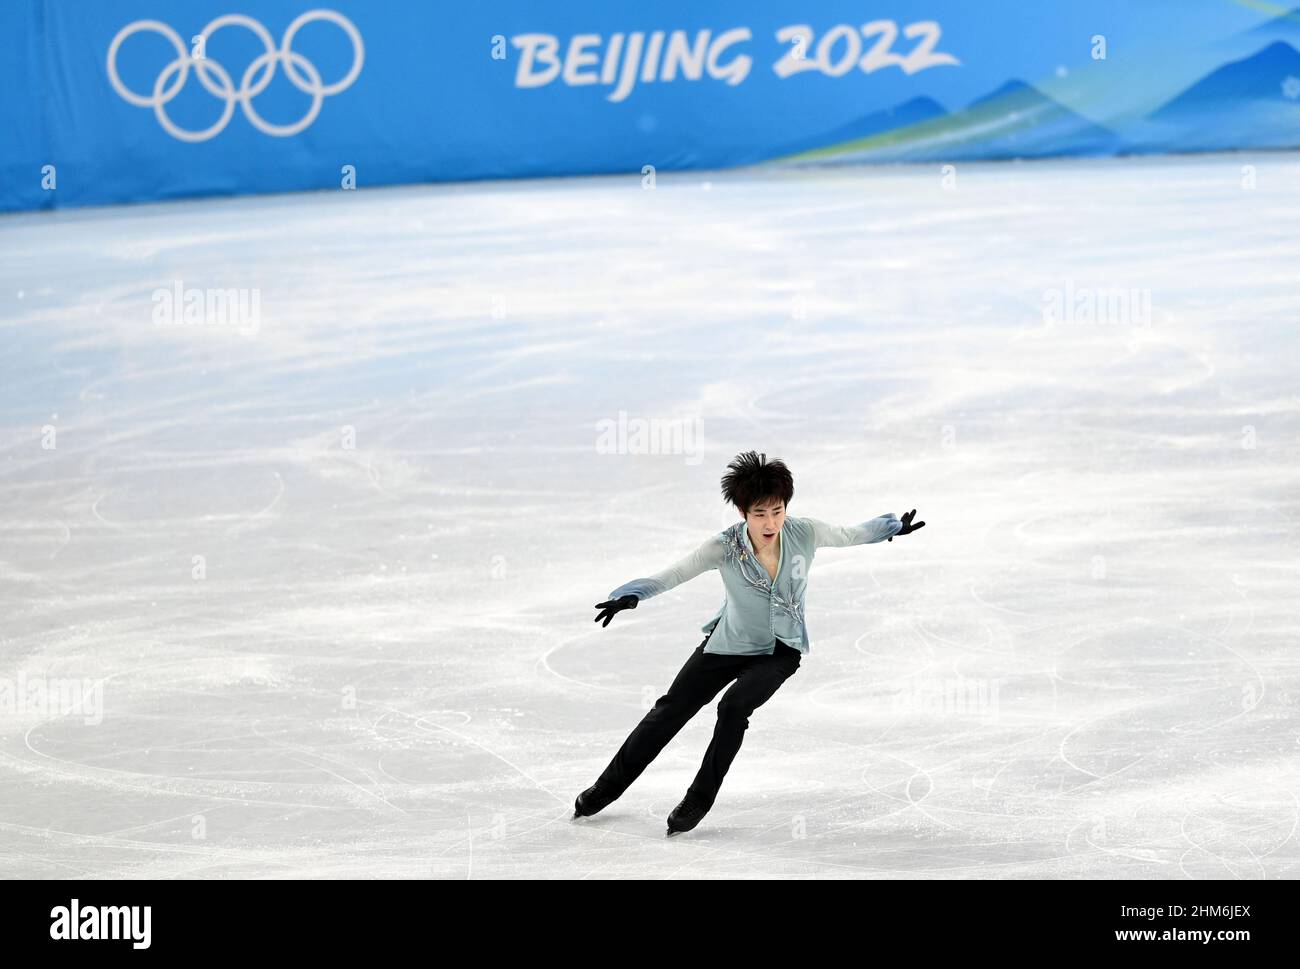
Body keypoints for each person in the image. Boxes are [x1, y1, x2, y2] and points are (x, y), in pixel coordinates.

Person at [575, 450, 925, 836]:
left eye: (777, 511)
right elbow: (675, 573)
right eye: (760, 514)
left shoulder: (803, 532)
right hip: (727, 643)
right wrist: (632, 594)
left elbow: (848, 535)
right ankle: (606, 788)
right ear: (743, 513)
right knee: (669, 711)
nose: (771, 522)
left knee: (733, 707)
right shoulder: (724, 547)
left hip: (779, 651)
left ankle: (698, 798)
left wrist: (890, 528)